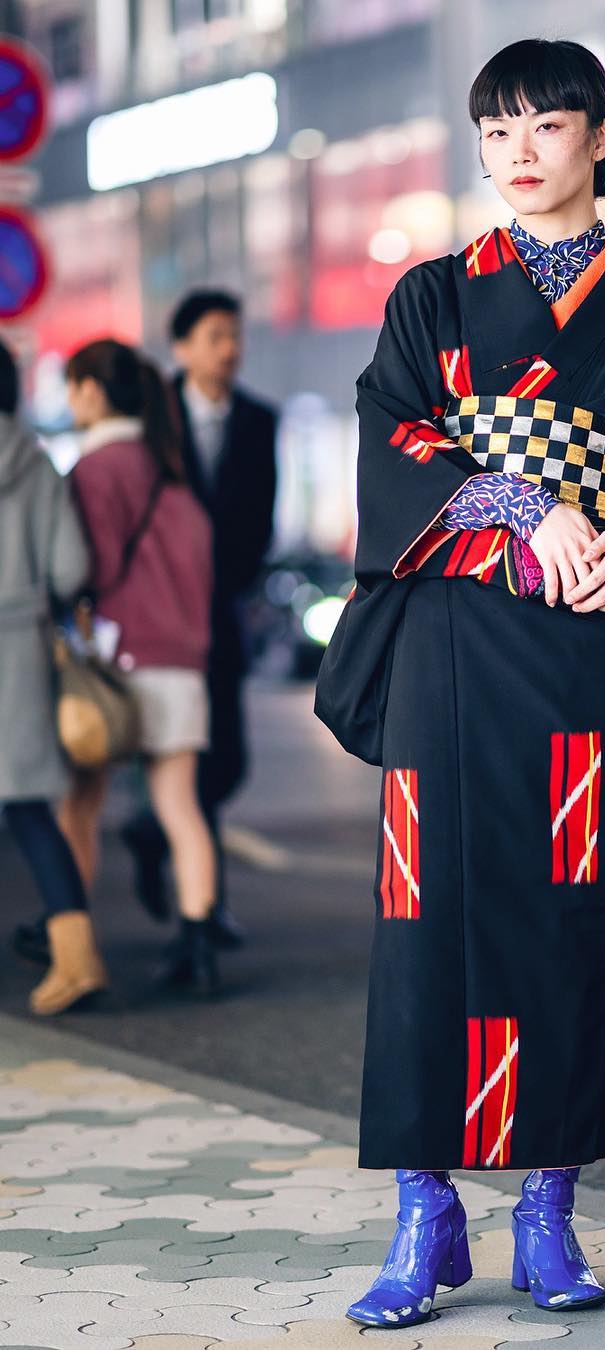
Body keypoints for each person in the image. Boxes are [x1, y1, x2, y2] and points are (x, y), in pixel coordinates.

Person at [315, 38, 605, 1329]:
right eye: (495, 126)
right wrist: (515, 500)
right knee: (425, 918)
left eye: (545, 123)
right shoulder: (434, 297)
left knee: (576, 922)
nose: (517, 148)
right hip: (455, 647)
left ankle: (551, 1214)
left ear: (600, 133)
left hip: (589, 649)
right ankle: (422, 1206)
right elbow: (393, 428)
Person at [61, 338, 220, 995]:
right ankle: (199, 946)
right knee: (182, 808)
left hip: (115, 666)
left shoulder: (96, 469)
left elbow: (87, 568)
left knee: (80, 806)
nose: (71, 399)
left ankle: (69, 944)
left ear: (93, 391)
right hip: (183, 659)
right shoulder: (172, 468)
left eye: (73, 386)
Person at [119, 290, 278, 949]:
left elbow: (259, 519)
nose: (230, 348)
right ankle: (205, 906)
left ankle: (151, 833)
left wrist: (225, 586)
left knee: (226, 763)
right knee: (182, 760)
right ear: (180, 347)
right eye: (215, 335)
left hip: (221, 612)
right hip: (159, 615)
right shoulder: (150, 417)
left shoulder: (259, 419)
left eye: (235, 334)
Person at [0, 338, 109, 1016]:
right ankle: (77, 960)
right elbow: (70, 569)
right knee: (30, 806)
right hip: (19, 649)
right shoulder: (34, 461)